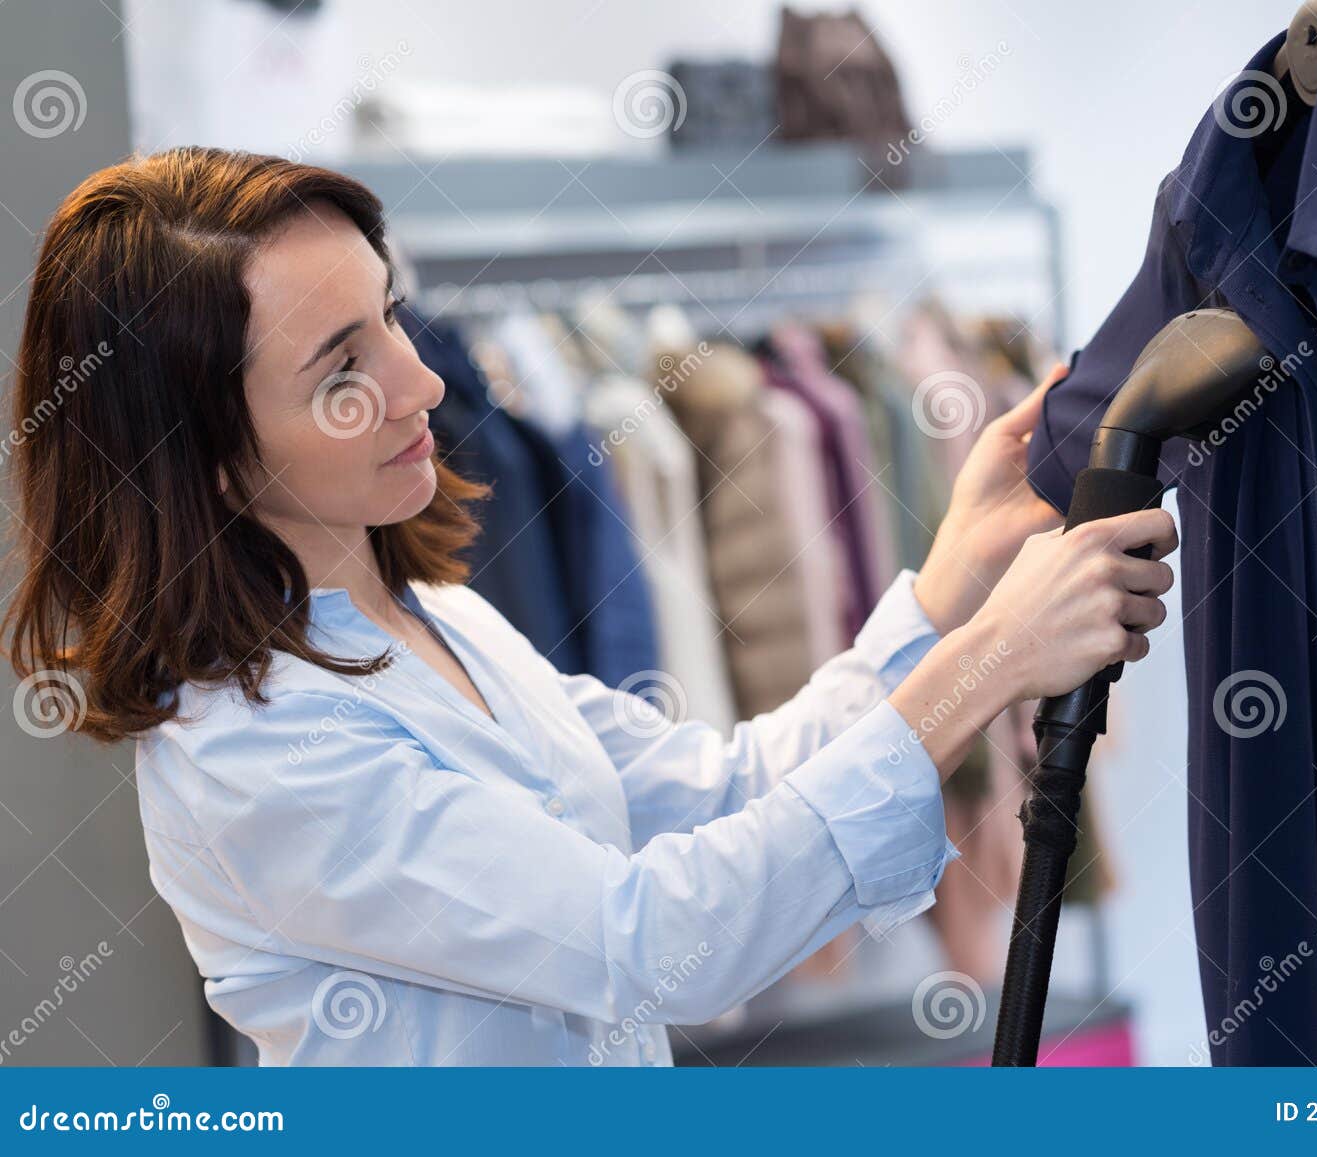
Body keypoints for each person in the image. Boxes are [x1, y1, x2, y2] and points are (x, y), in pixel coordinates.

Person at [2, 147, 1176, 1065]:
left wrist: (948, 586)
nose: (420, 382)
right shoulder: (257, 751)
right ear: (202, 455)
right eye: (343, 370)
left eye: (394, 317)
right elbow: (654, 938)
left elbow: (723, 789)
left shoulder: (441, 618)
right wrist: (987, 662)